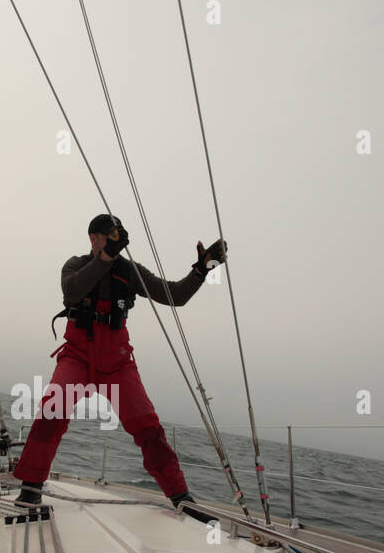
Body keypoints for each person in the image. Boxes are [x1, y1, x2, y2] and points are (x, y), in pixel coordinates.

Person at [12, 213, 226, 514]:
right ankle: (31, 487)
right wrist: (105, 259)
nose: (114, 242)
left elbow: (174, 296)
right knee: (52, 410)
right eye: (108, 236)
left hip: (118, 361)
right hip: (78, 356)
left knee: (148, 426)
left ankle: (180, 496)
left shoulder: (130, 272)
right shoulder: (75, 265)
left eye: (118, 237)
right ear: (93, 238)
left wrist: (203, 269)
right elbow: (72, 290)